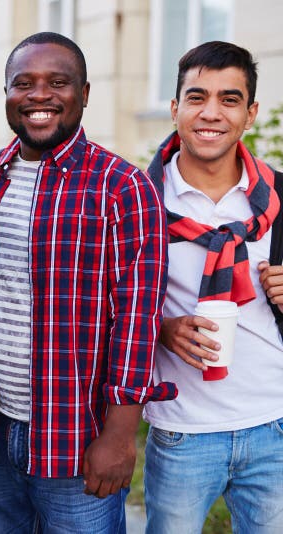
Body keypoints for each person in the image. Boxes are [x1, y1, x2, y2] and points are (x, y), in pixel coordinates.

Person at [0, 32, 176, 533]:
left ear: (83, 94)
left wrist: (120, 435)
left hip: (76, 435)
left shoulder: (122, 186)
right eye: (23, 84)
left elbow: (138, 316)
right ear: (7, 94)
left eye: (57, 83)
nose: (39, 95)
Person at [143, 41, 283, 533]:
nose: (211, 113)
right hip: (182, 430)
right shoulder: (140, 201)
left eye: (229, 99)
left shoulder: (280, 195)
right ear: (175, 107)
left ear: (250, 114)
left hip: (274, 423)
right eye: (197, 97)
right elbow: (109, 299)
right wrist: (161, 329)